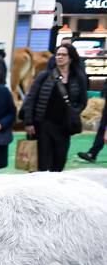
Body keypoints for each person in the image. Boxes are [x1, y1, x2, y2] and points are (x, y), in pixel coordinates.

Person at [23, 43, 89, 173]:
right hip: (44, 125)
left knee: (59, 162)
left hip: (64, 126)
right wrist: (28, 122)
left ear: (71, 58)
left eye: (64, 55)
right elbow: (31, 99)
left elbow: (83, 101)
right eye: (58, 54)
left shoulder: (78, 78)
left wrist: (74, 112)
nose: (60, 57)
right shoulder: (44, 76)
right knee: (43, 163)